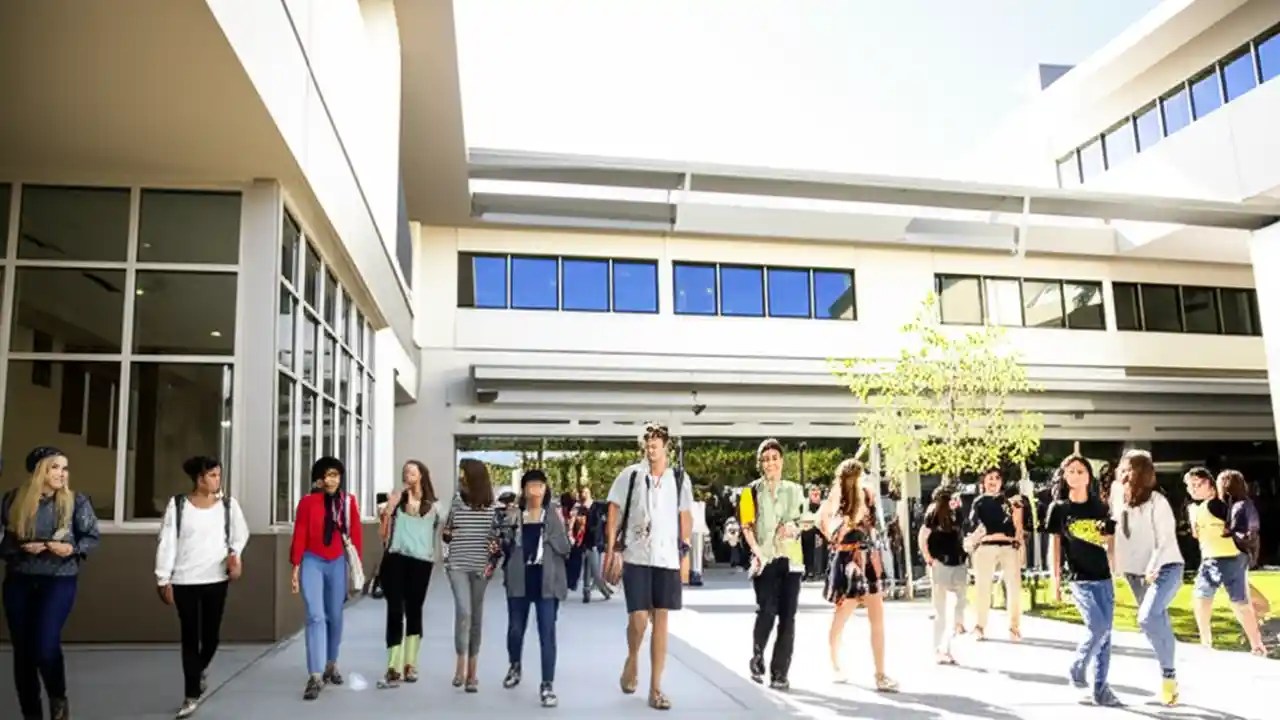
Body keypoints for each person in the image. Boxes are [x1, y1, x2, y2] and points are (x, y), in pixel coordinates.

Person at [0, 446, 100, 720]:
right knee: (23, 652)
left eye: (65, 468)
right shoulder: (12, 501)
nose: (62, 474)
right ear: (39, 471)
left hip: (58, 580)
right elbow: (3, 543)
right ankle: (31, 714)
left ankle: (58, 697)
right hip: (19, 581)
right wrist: (20, 548)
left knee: (45, 644)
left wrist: (73, 549)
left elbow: (91, 536)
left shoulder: (75, 502)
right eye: (55, 467)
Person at [604, 422, 695, 712]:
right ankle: (632, 658)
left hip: (666, 558)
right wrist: (609, 548)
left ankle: (655, 689)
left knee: (661, 621)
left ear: (666, 445)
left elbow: (686, 519)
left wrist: (685, 556)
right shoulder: (630, 475)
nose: (651, 447)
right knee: (639, 620)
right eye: (647, 442)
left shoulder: (679, 478)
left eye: (656, 442)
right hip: (636, 556)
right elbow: (613, 509)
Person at [154, 455, 250, 718]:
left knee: (210, 638)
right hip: (184, 580)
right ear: (199, 479)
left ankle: (199, 670)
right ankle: (191, 694)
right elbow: (167, 542)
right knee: (189, 636)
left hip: (216, 580)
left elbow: (240, 535)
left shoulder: (229, 506)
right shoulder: (179, 506)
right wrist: (163, 578)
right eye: (212, 475)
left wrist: (235, 554)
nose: (217, 479)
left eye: (219, 475)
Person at [1047, 454, 1120, 707]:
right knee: (1098, 627)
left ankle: (1101, 690)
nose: (1076, 475)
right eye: (1071, 471)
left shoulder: (1101, 507)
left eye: (1081, 471)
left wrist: (1115, 566)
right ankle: (1077, 669)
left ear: (1089, 476)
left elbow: (1110, 540)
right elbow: (1055, 547)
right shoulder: (1059, 509)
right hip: (1079, 579)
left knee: (1106, 635)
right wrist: (1055, 580)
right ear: (1064, 476)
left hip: (1104, 578)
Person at [1111, 449, 1183, 707]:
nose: (1121, 471)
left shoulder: (1157, 502)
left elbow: (1164, 539)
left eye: (1126, 467)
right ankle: (1170, 682)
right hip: (1133, 572)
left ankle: (1169, 678)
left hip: (1165, 568)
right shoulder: (1117, 494)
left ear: (1139, 472)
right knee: (1155, 624)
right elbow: (1115, 531)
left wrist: (1153, 566)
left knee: (1148, 617)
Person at [290, 457, 363, 701]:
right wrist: (295, 566)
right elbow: (300, 532)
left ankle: (331, 662)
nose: (331, 479)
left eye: (335, 474)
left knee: (335, 615)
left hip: (337, 561)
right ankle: (316, 674)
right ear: (319, 479)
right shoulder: (308, 502)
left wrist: (356, 570)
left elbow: (356, 536)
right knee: (315, 615)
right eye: (327, 475)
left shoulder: (348, 502)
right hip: (312, 560)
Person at [738, 438, 808, 689]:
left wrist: (794, 528)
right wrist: (757, 551)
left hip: (791, 559)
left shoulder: (795, 490)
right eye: (766, 459)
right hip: (764, 559)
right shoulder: (750, 492)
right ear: (760, 463)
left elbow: (806, 519)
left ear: (782, 461)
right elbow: (746, 526)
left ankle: (780, 671)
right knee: (767, 610)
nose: (770, 463)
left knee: (788, 617)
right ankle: (757, 656)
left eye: (774, 458)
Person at [824, 458, 896, 692]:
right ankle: (841, 666)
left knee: (863, 617)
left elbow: (868, 526)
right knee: (847, 616)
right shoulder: (838, 498)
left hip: (861, 559)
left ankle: (878, 672)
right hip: (853, 560)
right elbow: (829, 528)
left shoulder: (864, 494)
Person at [500, 469, 570, 708]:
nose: (535, 491)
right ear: (524, 490)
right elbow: (504, 546)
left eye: (540, 486)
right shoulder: (515, 516)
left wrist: (550, 535)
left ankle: (547, 684)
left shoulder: (553, 515)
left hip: (546, 582)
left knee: (547, 634)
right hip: (520, 579)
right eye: (531, 486)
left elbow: (565, 548)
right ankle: (515, 665)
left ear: (545, 489)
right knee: (516, 630)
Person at [1184, 467, 1265, 654]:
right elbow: (1198, 535)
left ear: (1210, 484)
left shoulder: (1217, 504)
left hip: (1231, 558)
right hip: (1210, 559)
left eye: (1198, 484)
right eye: (1190, 486)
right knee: (1201, 598)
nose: (1194, 489)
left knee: (1239, 603)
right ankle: (1206, 642)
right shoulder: (1197, 508)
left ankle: (1257, 644)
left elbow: (1234, 526)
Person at [376, 460, 439, 689]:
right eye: (405, 472)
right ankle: (393, 666)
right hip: (396, 559)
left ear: (422, 475)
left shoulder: (434, 507)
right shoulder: (397, 501)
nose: (408, 475)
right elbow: (382, 535)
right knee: (395, 611)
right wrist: (389, 509)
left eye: (412, 471)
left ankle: (410, 664)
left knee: (414, 611)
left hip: (421, 563)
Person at [443, 459, 501, 692]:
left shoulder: (491, 505)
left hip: (480, 566)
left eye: (463, 473)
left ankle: (472, 672)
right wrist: (447, 534)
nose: (460, 477)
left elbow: (496, 539)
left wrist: (494, 547)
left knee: (476, 616)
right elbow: (446, 532)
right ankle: (460, 665)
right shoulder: (457, 500)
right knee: (464, 611)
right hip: (457, 563)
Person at [967, 467, 1023, 642]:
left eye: (997, 478)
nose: (993, 481)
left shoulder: (1010, 502)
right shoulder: (979, 502)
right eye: (989, 478)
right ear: (983, 481)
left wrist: (1019, 544)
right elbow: (973, 526)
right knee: (983, 587)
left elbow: (1018, 527)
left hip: (1008, 546)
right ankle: (980, 626)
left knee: (1014, 588)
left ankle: (1014, 627)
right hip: (986, 547)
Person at [919, 486, 967, 665]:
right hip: (941, 563)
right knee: (941, 610)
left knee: (958, 606)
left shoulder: (957, 514)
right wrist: (928, 558)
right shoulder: (933, 514)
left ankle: (948, 644)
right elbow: (924, 536)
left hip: (958, 562)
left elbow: (960, 535)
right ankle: (940, 648)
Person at [578, 486, 612, 603]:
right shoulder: (581, 509)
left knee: (595, 570)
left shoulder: (597, 506)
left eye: (585, 493)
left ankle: (605, 591)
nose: (583, 495)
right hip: (584, 543)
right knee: (587, 568)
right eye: (582, 493)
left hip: (594, 542)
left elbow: (609, 510)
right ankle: (586, 592)